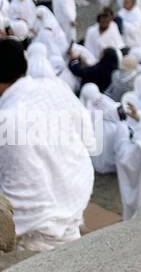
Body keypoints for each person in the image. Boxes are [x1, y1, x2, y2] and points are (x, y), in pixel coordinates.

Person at [0, 38, 95, 253]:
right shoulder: (55, 87)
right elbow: (88, 140)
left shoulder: (8, 119)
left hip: (36, 238)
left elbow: (22, 199)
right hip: (74, 208)